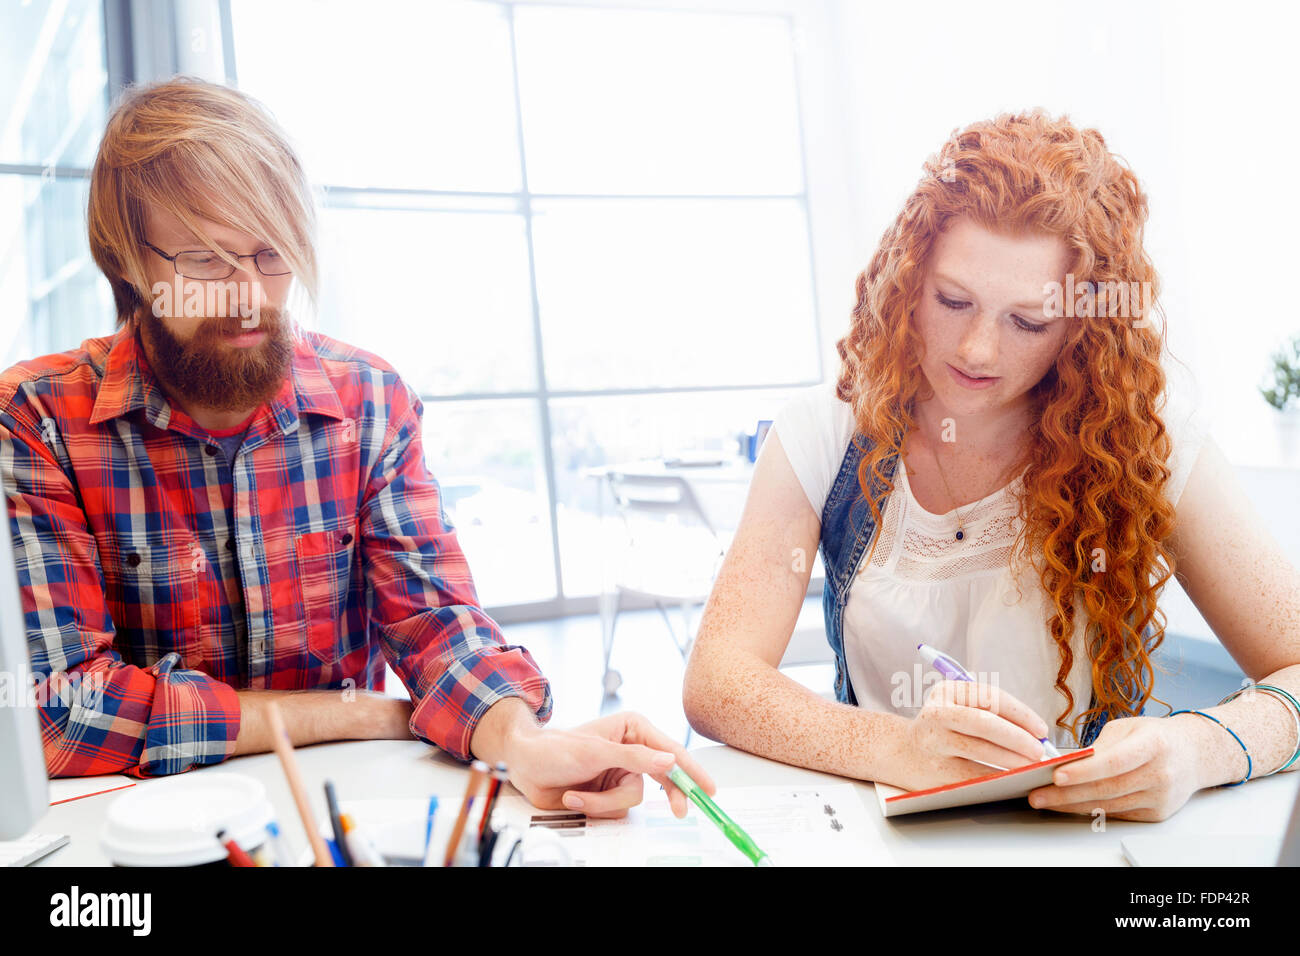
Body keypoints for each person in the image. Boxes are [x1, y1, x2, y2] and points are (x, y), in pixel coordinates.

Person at [0, 76, 713, 820]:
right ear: (127, 265)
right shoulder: (38, 419)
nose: (249, 295)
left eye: (271, 252)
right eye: (206, 262)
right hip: (145, 832)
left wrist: (519, 740)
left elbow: (440, 628)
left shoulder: (368, 402)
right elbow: (58, 710)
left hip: (345, 815)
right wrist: (369, 714)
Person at [683, 110, 1300, 822]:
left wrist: (1203, 748)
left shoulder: (1146, 446)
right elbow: (718, 680)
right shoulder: (825, 434)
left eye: (1028, 322)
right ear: (909, 279)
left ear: (1082, 324)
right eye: (953, 301)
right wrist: (900, 748)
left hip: (1080, 847)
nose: (977, 350)